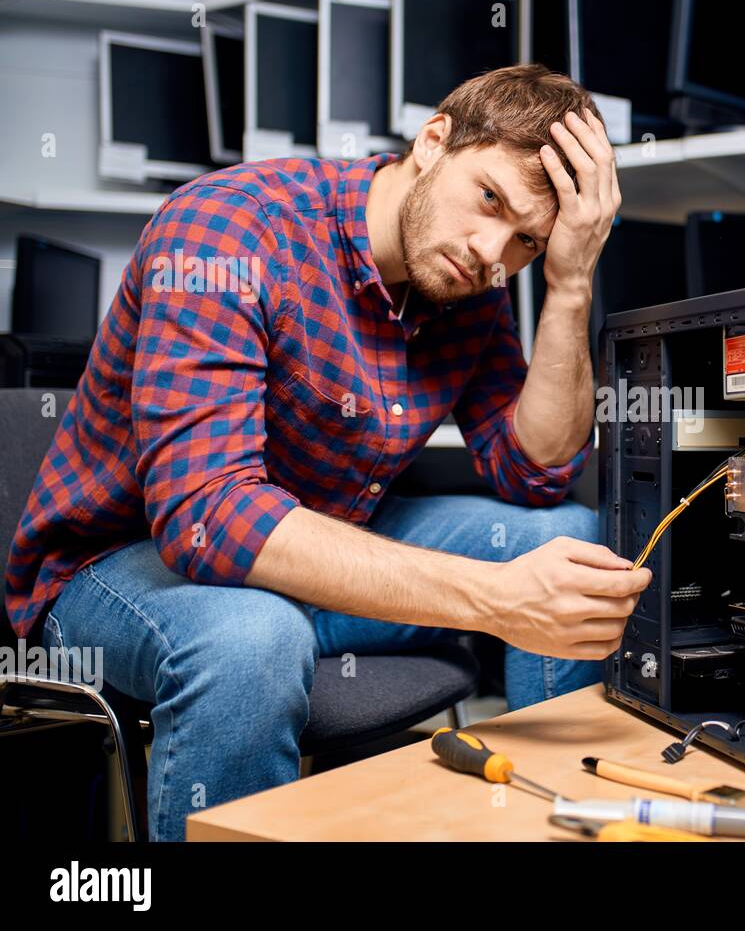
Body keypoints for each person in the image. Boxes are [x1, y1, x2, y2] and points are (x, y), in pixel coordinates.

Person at [4, 63, 651, 841]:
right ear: (435, 138)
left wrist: (571, 281)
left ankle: (551, 820)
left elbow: (536, 472)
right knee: (252, 639)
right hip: (120, 569)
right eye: (489, 200)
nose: (491, 253)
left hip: (317, 555)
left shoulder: (464, 284)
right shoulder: (228, 229)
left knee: (570, 541)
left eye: (526, 241)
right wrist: (493, 598)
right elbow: (209, 517)